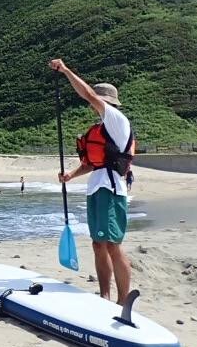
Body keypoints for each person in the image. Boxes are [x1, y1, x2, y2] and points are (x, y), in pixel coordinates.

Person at [49, 58, 135, 304]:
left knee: (112, 245)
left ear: (107, 102)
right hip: (96, 188)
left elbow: (87, 94)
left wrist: (65, 71)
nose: (93, 105)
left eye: (98, 101)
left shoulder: (117, 120)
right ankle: (104, 296)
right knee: (98, 244)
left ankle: (123, 301)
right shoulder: (101, 127)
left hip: (111, 190)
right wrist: (70, 176)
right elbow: (91, 164)